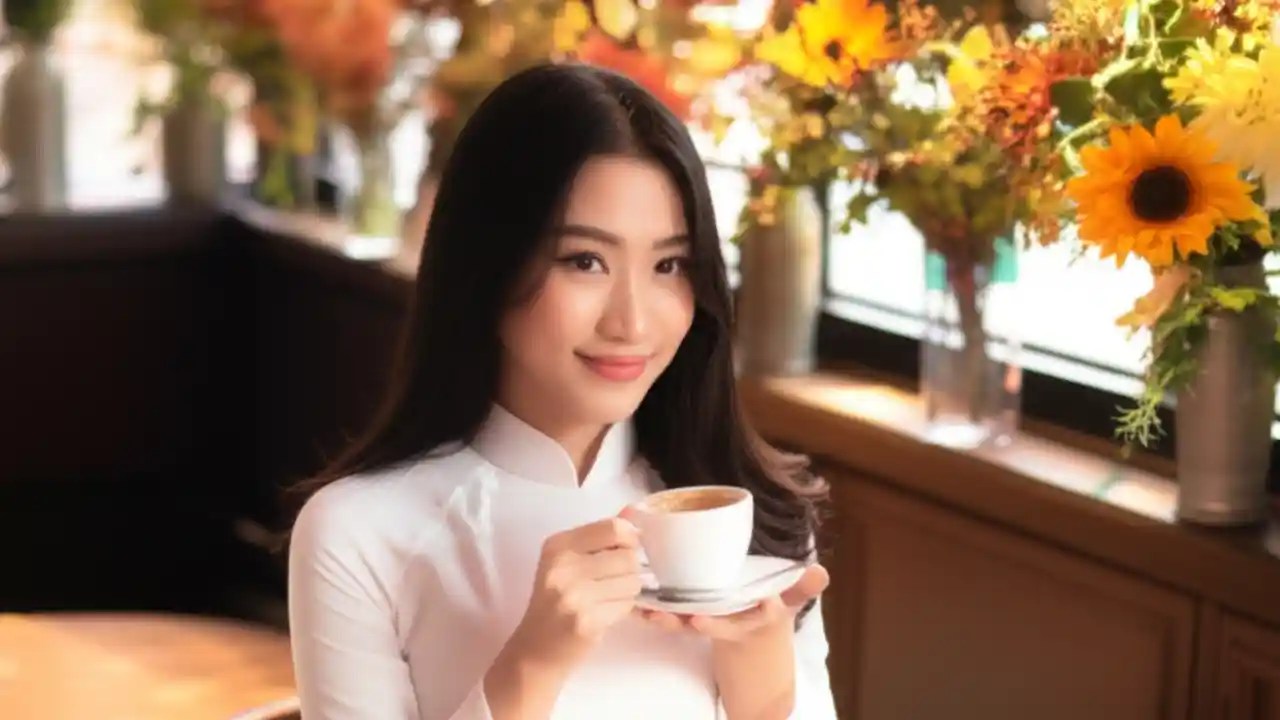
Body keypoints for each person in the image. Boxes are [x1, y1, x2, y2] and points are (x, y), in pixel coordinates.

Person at [287, 62, 838, 720]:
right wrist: (529, 668)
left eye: (669, 264)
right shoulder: (358, 532)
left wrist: (768, 693)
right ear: (487, 268)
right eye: (585, 261)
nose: (632, 321)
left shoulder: (756, 524)